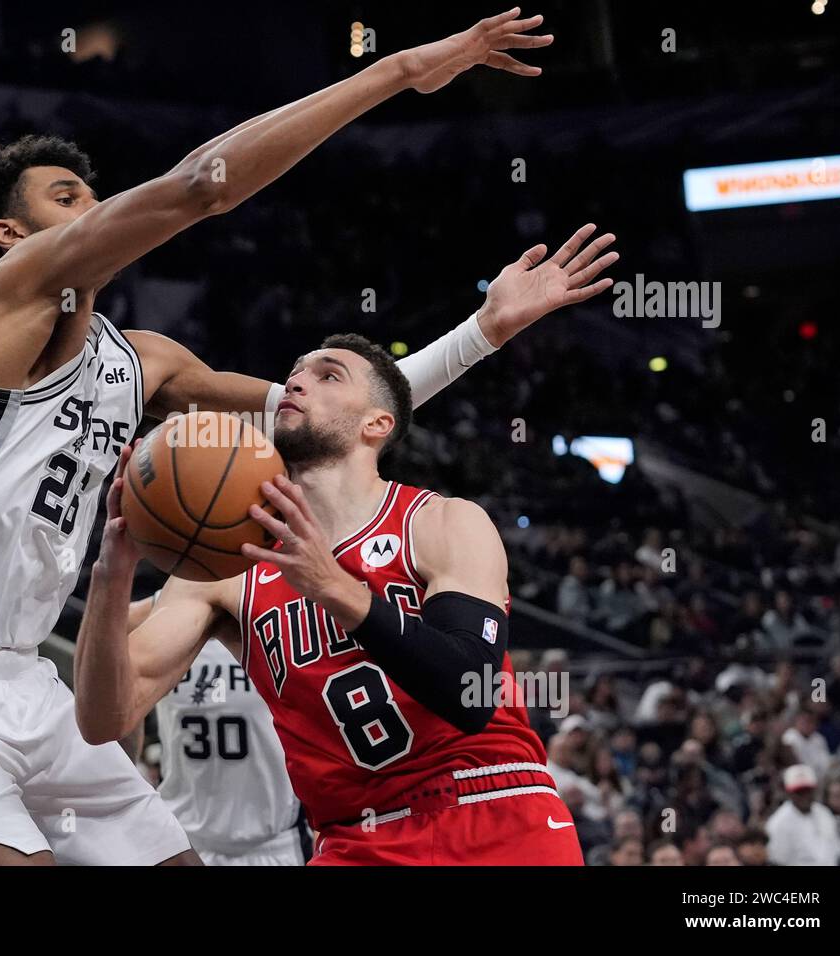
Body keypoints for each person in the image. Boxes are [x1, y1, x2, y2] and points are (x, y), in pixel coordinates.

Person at [0, 9, 615, 866]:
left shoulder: (149, 364)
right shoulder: (12, 296)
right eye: (68, 200)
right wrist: (391, 73)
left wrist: (481, 333)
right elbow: (202, 187)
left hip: (28, 679)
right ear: (10, 237)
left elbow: (322, 416)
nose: (97, 212)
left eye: (95, 197)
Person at [75, 334, 587, 864]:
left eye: (328, 375)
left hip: (491, 807)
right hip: (351, 838)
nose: (296, 381)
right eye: (295, 371)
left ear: (377, 424)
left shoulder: (441, 521)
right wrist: (111, 574)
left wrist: (336, 589)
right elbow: (103, 719)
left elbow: (469, 692)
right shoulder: (227, 568)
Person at [126, 594, 307, 865]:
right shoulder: (154, 613)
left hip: (274, 844)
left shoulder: (283, 613)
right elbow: (118, 623)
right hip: (182, 841)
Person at [764, 764, 840, 866]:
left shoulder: (823, 812)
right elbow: (777, 861)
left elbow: (837, 849)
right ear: (789, 793)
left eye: (808, 791)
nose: (805, 796)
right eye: (799, 792)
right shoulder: (777, 823)